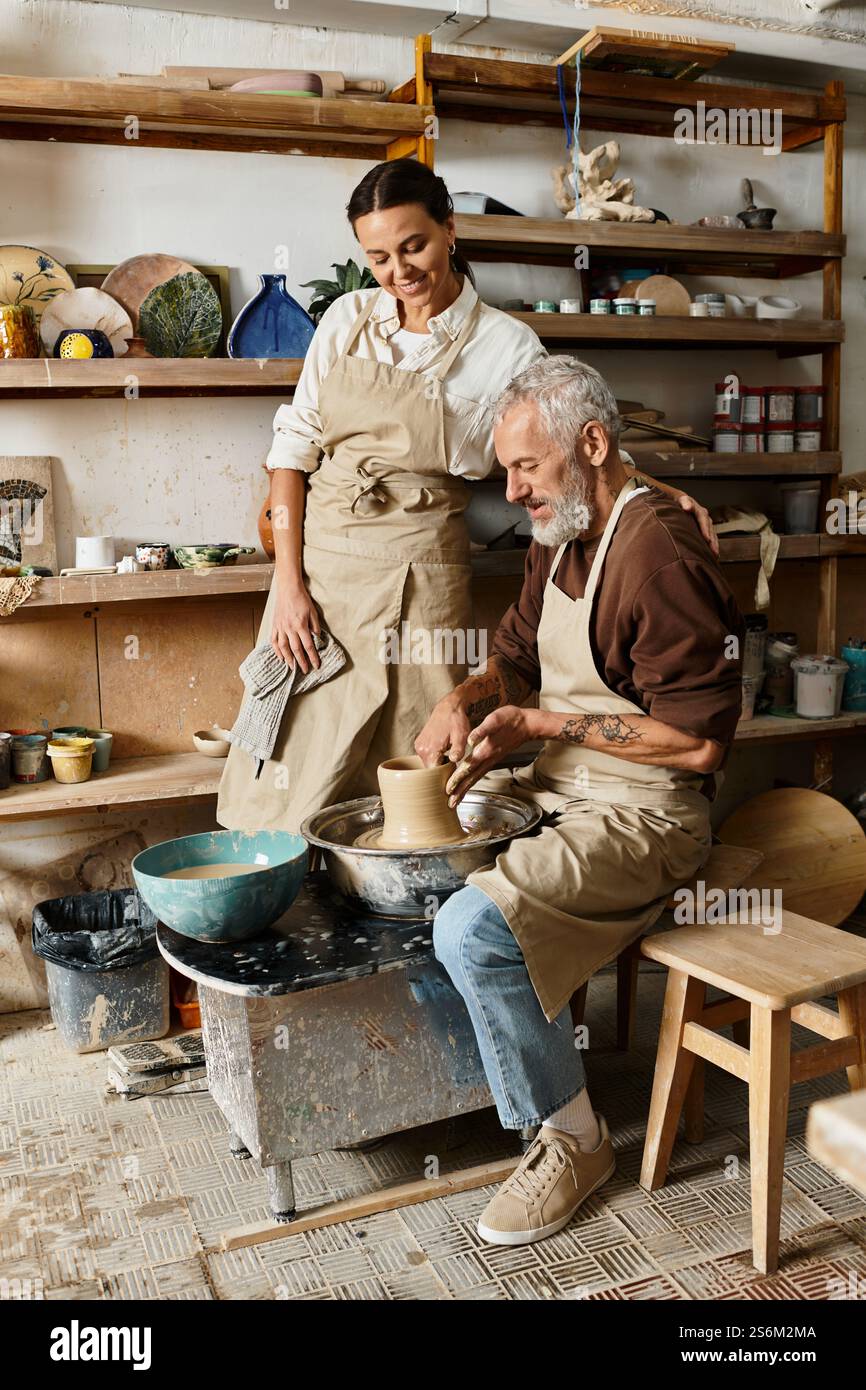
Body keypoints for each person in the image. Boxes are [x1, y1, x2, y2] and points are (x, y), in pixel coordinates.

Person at [217, 158, 715, 834]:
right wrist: (287, 587)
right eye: (378, 257)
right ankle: (277, 889)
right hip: (324, 569)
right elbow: (291, 453)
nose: (399, 271)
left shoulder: (506, 345)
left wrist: (658, 491)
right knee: (294, 760)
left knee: (417, 757)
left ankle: (400, 902)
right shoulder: (345, 320)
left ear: (450, 229)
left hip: (426, 567)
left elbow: (573, 433)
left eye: (414, 245)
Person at [416, 356, 744, 1248]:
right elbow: (516, 660)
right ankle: (487, 1082)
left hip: (649, 813)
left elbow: (701, 744)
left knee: (470, 929)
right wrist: (468, 699)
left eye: (526, 467)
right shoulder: (561, 532)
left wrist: (541, 723)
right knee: (418, 861)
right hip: (563, 784)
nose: (512, 488)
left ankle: (573, 1137)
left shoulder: (661, 556)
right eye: (508, 469)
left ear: (591, 444)